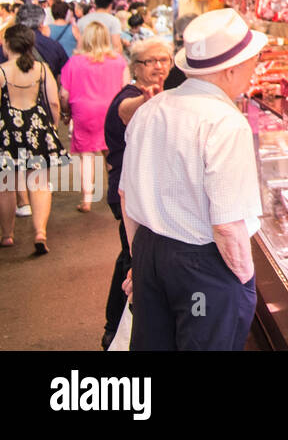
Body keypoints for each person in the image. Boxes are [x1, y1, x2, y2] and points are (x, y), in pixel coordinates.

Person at [120, 8, 267, 350]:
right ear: (231, 70)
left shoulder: (150, 109)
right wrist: (242, 281)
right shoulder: (225, 122)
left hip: (150, 253)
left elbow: (126, 194)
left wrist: (137, 261)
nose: (254, 70)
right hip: (203, 265)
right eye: (252, 63)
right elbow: (227, 226)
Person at [101, 37, 175, 350]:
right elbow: (124, 111)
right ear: (136, 67)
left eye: (164, 60)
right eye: (151, 61)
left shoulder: (166, 95)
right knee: (131, 261)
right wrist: (146, 102)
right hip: (129, 195)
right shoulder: (131, 96)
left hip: (141, 194)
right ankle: (115, 328)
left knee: (131, 258)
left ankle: (115, 326)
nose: (159, 66)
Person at [0, 25, 68, 254]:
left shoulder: (2, 71)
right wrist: (53, 126)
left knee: (7, 185)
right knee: (38, 183)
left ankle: (7, 235)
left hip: (8, 130)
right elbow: (54, 102)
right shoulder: (41, 69)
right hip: (37, 128)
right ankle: (40, 232)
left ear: (7, 44)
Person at [61, 22, 128, 212]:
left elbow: (64, 94)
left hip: (84, 112)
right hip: (113, 111)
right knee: (112, 154)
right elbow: (125, 88)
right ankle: (115, 195)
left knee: (87, 157)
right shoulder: (119, 61)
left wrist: (66, 114)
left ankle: (87, 200)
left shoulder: (74, 62)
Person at [14, 2, 67, 78]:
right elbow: (64, 75)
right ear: (41, 22)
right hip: (48, 87)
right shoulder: (54, 46)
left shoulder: (9, 45)